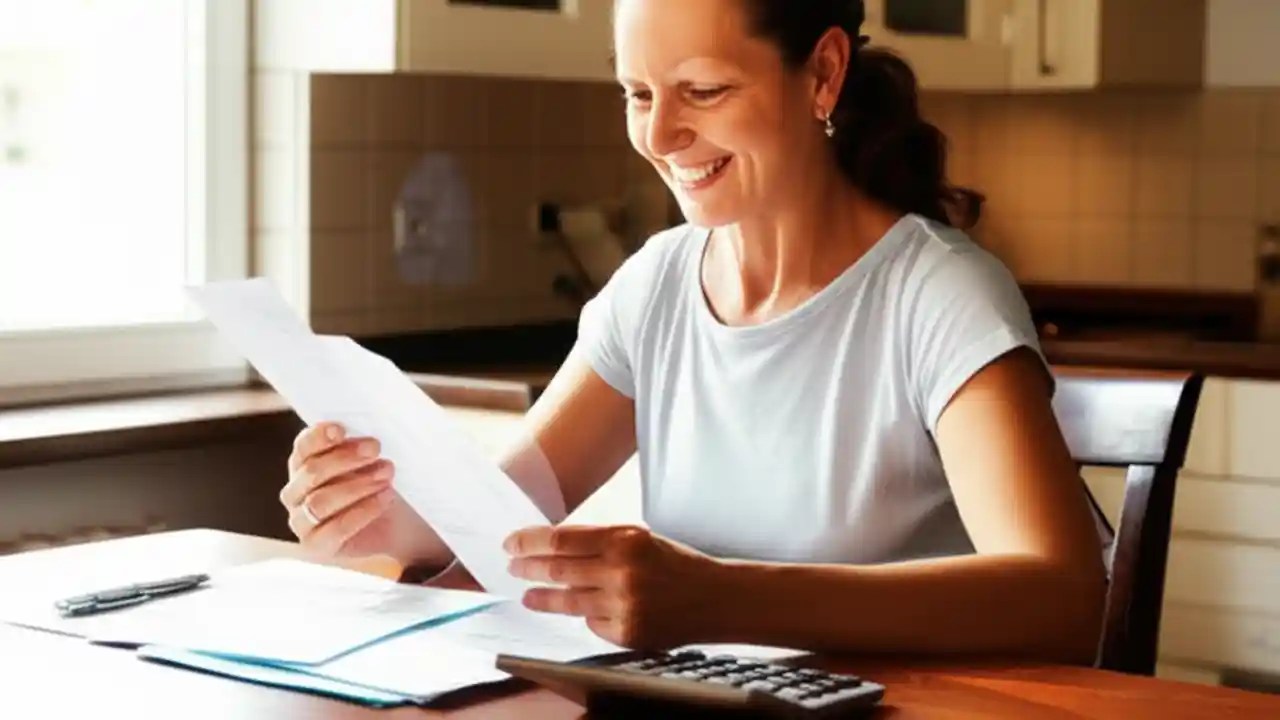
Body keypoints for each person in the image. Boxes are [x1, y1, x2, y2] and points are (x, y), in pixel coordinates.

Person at [278, 0, 1106, 664]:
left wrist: (722, 597)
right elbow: (507, 514)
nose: (658, 134)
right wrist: (386, 516)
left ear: (822, 74)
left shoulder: (939, 294)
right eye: (638, 94)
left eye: (703, 91)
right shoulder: (659, 285)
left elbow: (1063, 599)